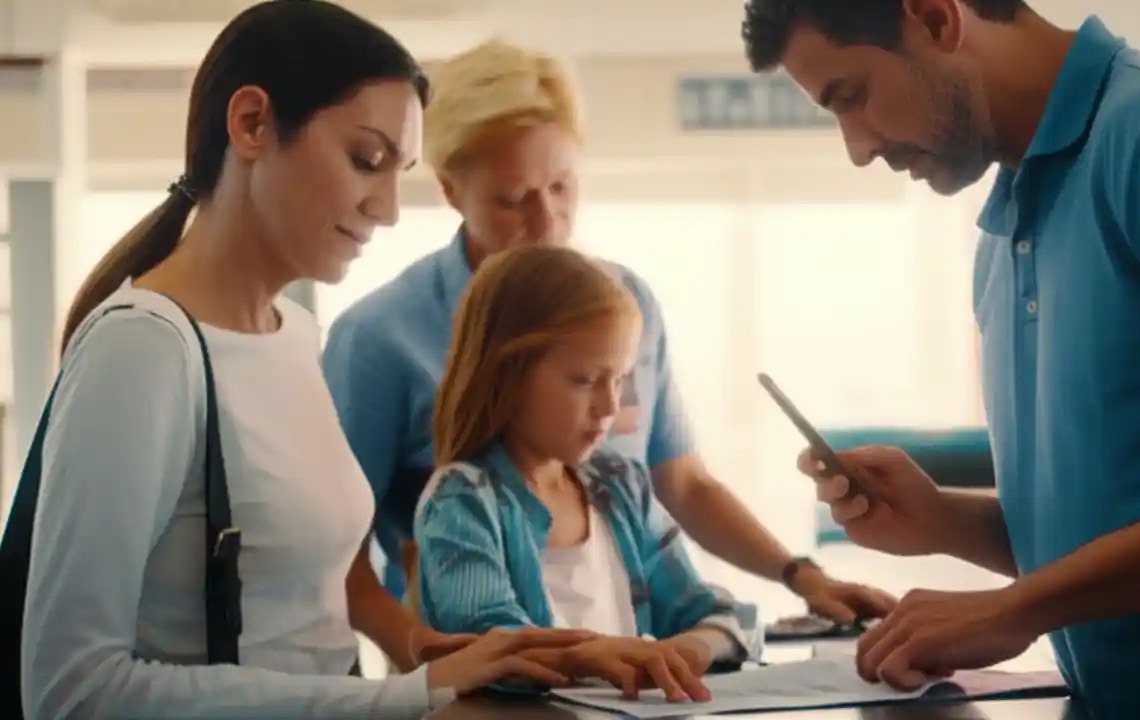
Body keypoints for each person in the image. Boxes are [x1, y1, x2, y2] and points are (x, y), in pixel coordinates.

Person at [18, 2, 588, 717]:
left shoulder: (291, 335)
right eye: (366, 161)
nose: (386, 210)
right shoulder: (143, 348)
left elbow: (305, 607)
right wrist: (400, 700)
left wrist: (431, 649)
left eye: (397, 174)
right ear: (252, 124)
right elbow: (72, 688)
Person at [742, 0, 1140, 716]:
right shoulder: (1002, 233)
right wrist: (944, 521)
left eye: (852, 96)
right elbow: (1122, 535)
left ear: (935, 18)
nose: (858, 147)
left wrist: (1015, 609)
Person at [322, 37, 897, 673]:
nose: (547, 222)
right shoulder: (378, 338)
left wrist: (801, 576)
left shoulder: (627, 308)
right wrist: (426, 657)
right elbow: (335, 553)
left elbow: (682, 482)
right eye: (514, 200)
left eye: (562, 187)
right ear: (454, 190)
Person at [416, 245, 754, 704]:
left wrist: (692, 647)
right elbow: (493, 643)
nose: (610, 407)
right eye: (584, 380)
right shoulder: (461, 501)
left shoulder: (622, 487)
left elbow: (720, 613)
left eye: (618, 380)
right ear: (506, 373)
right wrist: (590, 655)